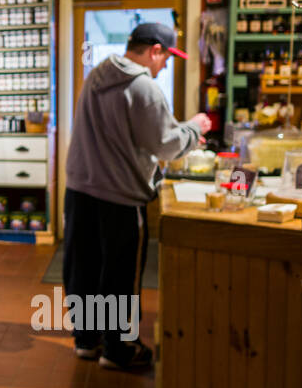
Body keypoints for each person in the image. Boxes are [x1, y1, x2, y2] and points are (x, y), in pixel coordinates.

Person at [63, 22, 210, 370]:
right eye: (166, 58)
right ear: (155, 50)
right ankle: (119, 348)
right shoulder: (144, 87)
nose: (165, 66)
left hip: (80, 190)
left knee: (84, 267)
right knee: (119, 274)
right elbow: (165, 145)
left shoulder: (97, 75)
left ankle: (87, 339)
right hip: (120, 196)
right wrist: (195, 127)